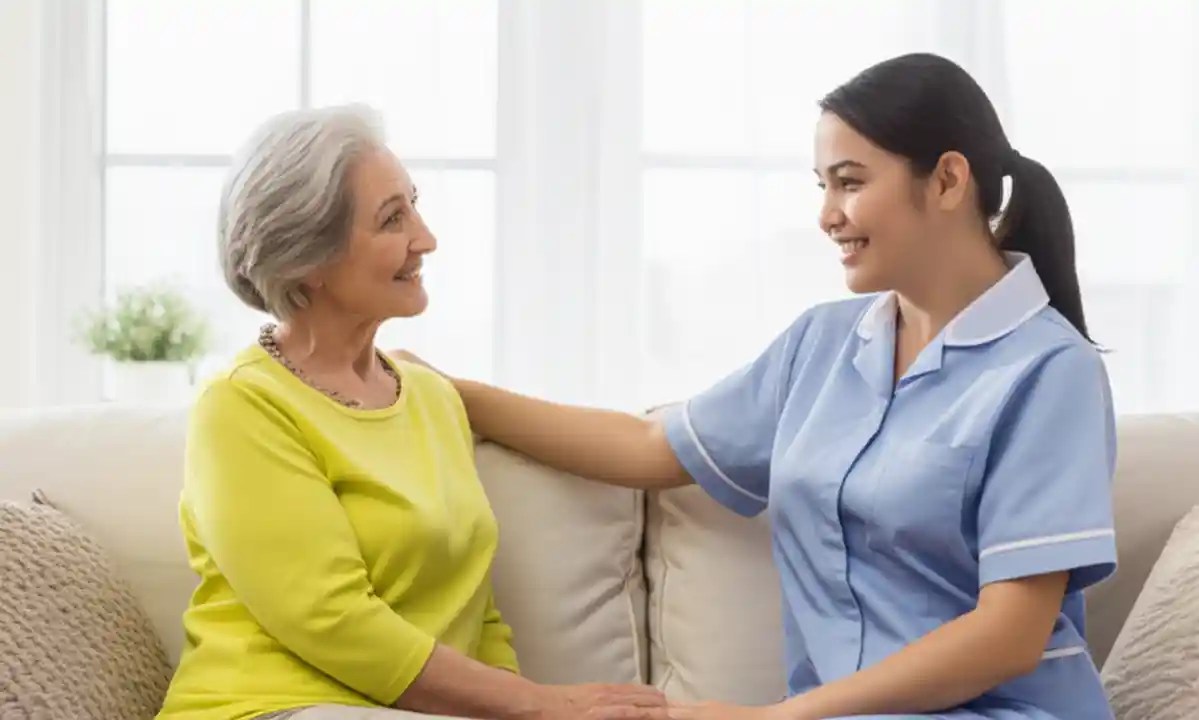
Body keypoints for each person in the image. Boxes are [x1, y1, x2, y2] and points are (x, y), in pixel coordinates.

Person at [402, 53, 1119, 719]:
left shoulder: (1049, 372)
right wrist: (455, 396)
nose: (827, 214)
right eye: (824, 186)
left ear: (948, 180)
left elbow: (1009, 636)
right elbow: (653, 444)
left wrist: (776, 718)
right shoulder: (824, 345)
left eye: (851, 181)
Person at [155, 105, 669, 720]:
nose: (425, 239)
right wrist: (542, 705)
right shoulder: (242, 407)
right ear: (308, 259)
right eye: (392, 219)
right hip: (272, 707)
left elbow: (477, 612)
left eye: (414, 206)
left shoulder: (431, 399)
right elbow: (333, 620)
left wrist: (520, 709)